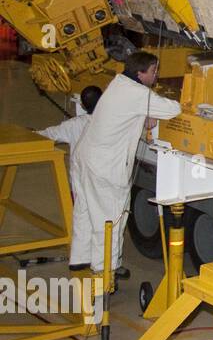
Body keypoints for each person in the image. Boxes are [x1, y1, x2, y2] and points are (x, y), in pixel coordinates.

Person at [67, 51, 181, 278]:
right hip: (105, 165)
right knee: (110, 216)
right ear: (140, 73)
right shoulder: (138, 93)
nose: (156, 76)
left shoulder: (118, 83)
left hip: (85, 156)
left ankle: (80, 258)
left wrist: (144, 115)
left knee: (85, 209)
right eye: (153, 71)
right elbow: (173, 109)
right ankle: (105, 269)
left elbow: (128, 112)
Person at [38, 85, 103, 148]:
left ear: (82, 106)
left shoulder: (73, 124)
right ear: (103, 100)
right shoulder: (111, 121)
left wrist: (32, 133)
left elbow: (49, 134)